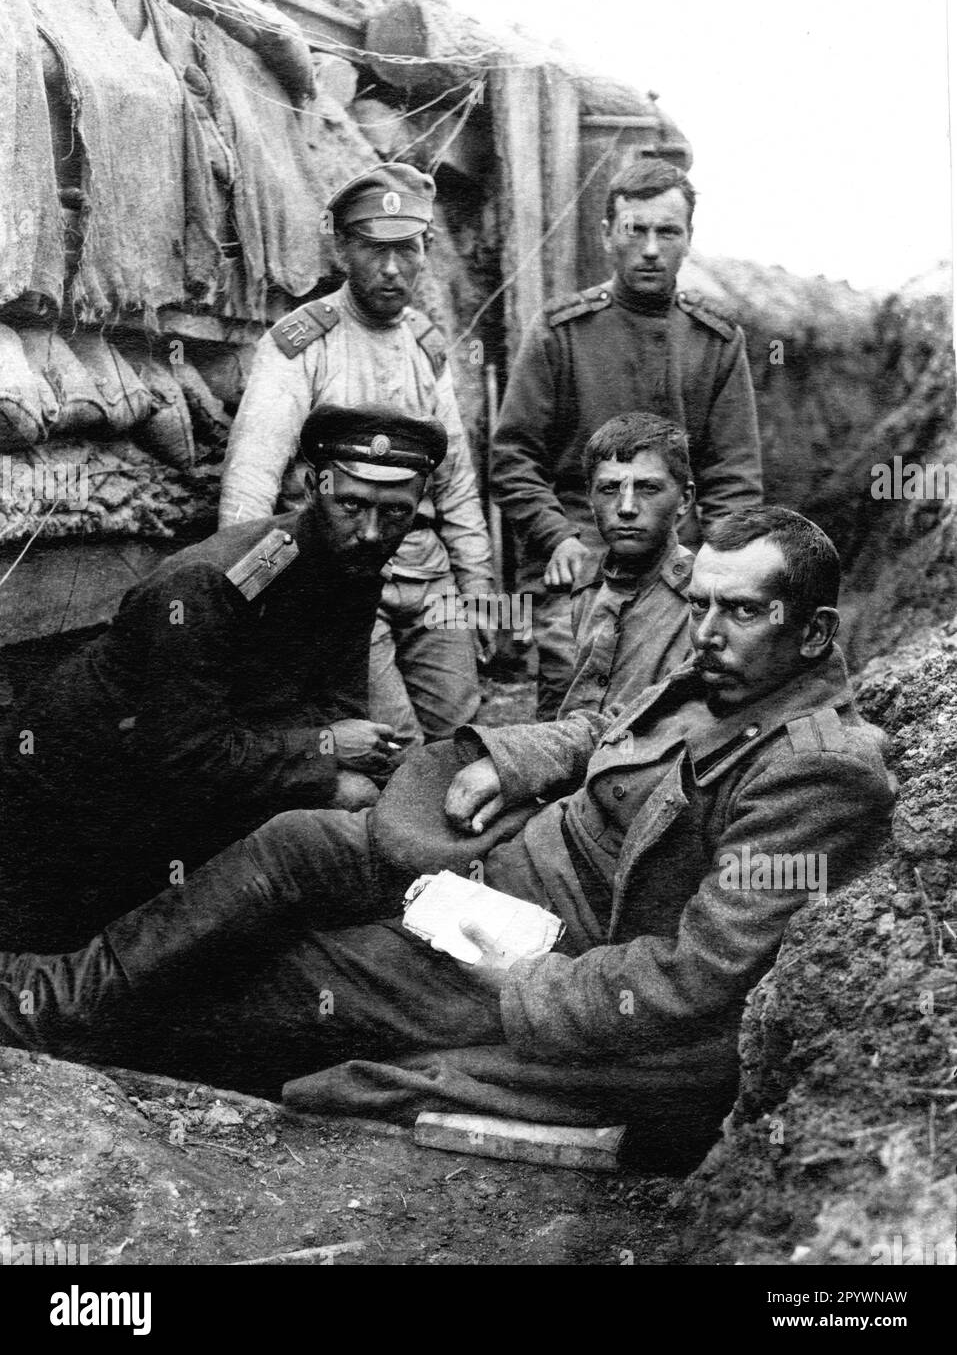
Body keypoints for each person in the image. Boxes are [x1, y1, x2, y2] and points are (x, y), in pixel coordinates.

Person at [0, 509, 896, 1145]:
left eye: (739, 610)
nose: (704, 632)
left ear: (812, 633)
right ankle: (62, 992)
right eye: (697, 602)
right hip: (490, 863)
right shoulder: (727, 672)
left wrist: (529, 979)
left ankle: (78, 1021)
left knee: (289, 977)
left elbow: (695, 977)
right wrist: (511, 760)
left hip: (525, 947)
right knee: (298, 842)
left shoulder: (816, 771)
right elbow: (603, 728)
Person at [0, 403, 446, 949]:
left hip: (189, 771)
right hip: (74, 805)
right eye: (351, 504)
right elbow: (182, 755)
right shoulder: (212, 585)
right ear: (313, 488)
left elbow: (335, 699)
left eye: (396, 512)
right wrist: (326, 749)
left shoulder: (352, 564)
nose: (372, 531)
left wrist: (354, 752)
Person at [217, 162, 494, 746]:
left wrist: (479, 593)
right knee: (392, 747)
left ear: (426, 249)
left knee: (466, 737)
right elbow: (251, 482)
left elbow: (457, 483)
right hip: (336, 579)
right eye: (373, 249)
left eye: (408, 250)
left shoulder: (425, 346)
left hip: (427, 574)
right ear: (342, 247)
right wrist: (248, 602)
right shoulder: (300, 343)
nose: (392, 269)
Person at [492, 156, 763, 718]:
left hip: (677, 547)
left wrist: (717, 559)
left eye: (667, 232)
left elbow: (733, 474)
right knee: (575, 698)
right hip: (579, 542)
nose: (650, 249)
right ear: (607, 235)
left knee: (684, 697)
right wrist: (556, 537)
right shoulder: (561, 332)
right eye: (635, 230)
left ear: (689, 238)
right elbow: (513, 458)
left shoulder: (715, 341)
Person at [559, 410, 695, 718]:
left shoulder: (703, 600)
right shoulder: (587, 593)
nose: (627, 508)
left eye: (648, 488)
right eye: (609, 489)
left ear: (685, 499)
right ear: (590, 499)